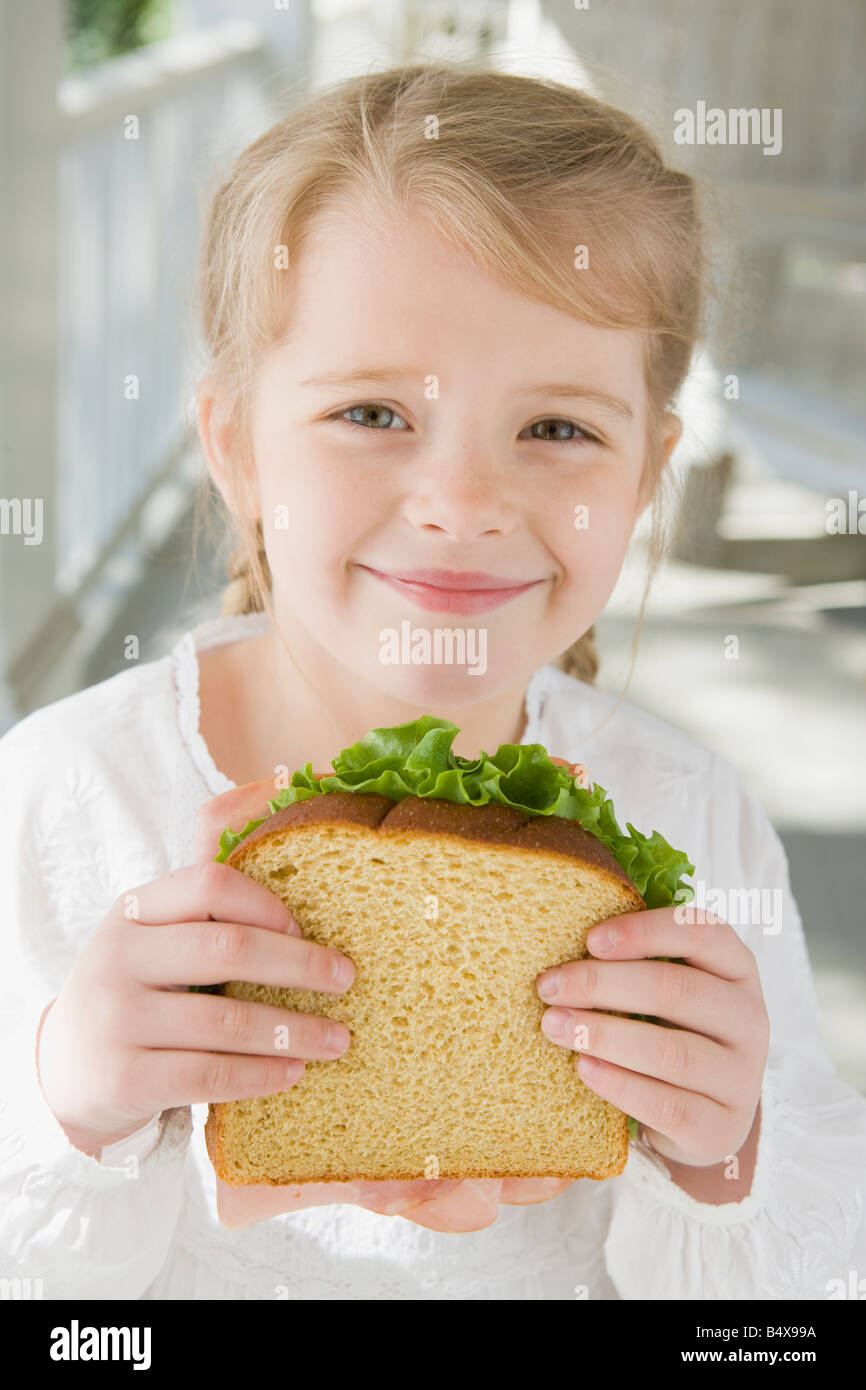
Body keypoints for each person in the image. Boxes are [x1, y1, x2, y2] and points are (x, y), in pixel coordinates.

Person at [2, 61, 864, 1301]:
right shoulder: (59, 797)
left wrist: (726, 1161)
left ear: (642, 475)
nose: (462, 505)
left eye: (557, 429)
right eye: (370, 413)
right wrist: (67, 1107)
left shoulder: (698, 816)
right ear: (239, 449)